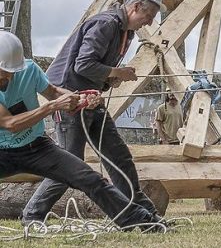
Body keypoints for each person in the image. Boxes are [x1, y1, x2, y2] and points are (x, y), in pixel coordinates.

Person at [23, 0, 165, 224]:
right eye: (149, 15)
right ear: (136, 6)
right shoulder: (106, 24)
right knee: (70, 161)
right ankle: (32, 215)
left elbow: (94, 70)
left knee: (118, 156)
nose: (149, 22)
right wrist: (117, 73)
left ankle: (144, 215)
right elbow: (83, 65)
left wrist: (108, 82)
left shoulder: (125, 32)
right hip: (68, 99)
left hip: (89, 98)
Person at [0, 31, 167, 231]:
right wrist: (52, 106)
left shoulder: (29, 69)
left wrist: (78, 99)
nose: (7, 76)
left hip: (37, 146)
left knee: (90, 178)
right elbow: (10, 123)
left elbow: (53, 92)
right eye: (3, 71)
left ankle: (144, 221)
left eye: (11, 71)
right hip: (3, 152)